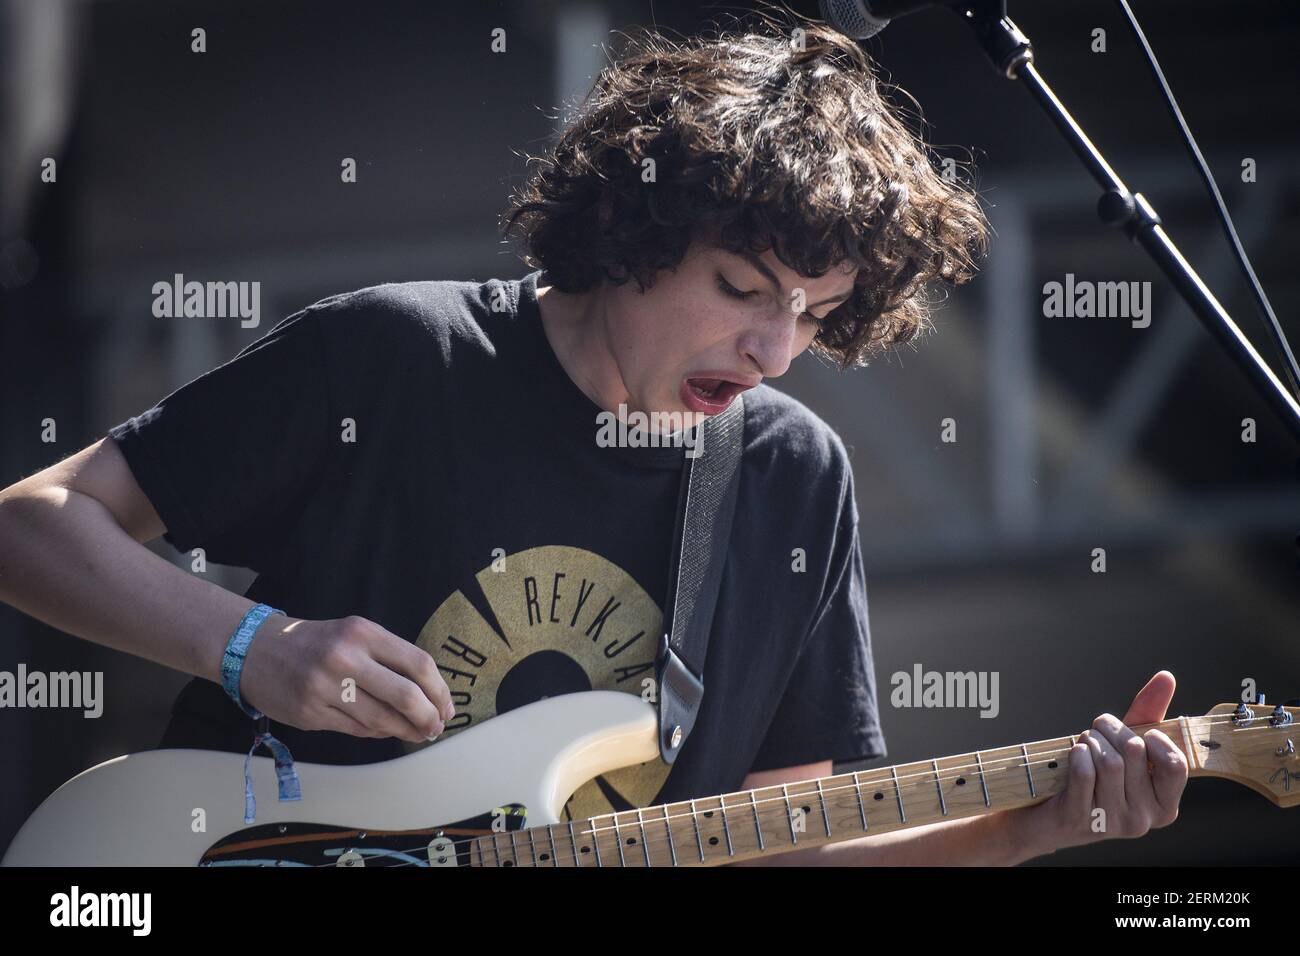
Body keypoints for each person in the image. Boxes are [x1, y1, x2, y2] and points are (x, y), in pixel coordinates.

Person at [0, 17, 1186, 865]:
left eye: (815, 317)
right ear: (630, 221)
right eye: (741, 286)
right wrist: (252, 641)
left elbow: (785, 846)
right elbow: (30, 525)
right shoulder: (393, 356)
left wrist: (1033, 825)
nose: (776, 350)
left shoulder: (788, 476)